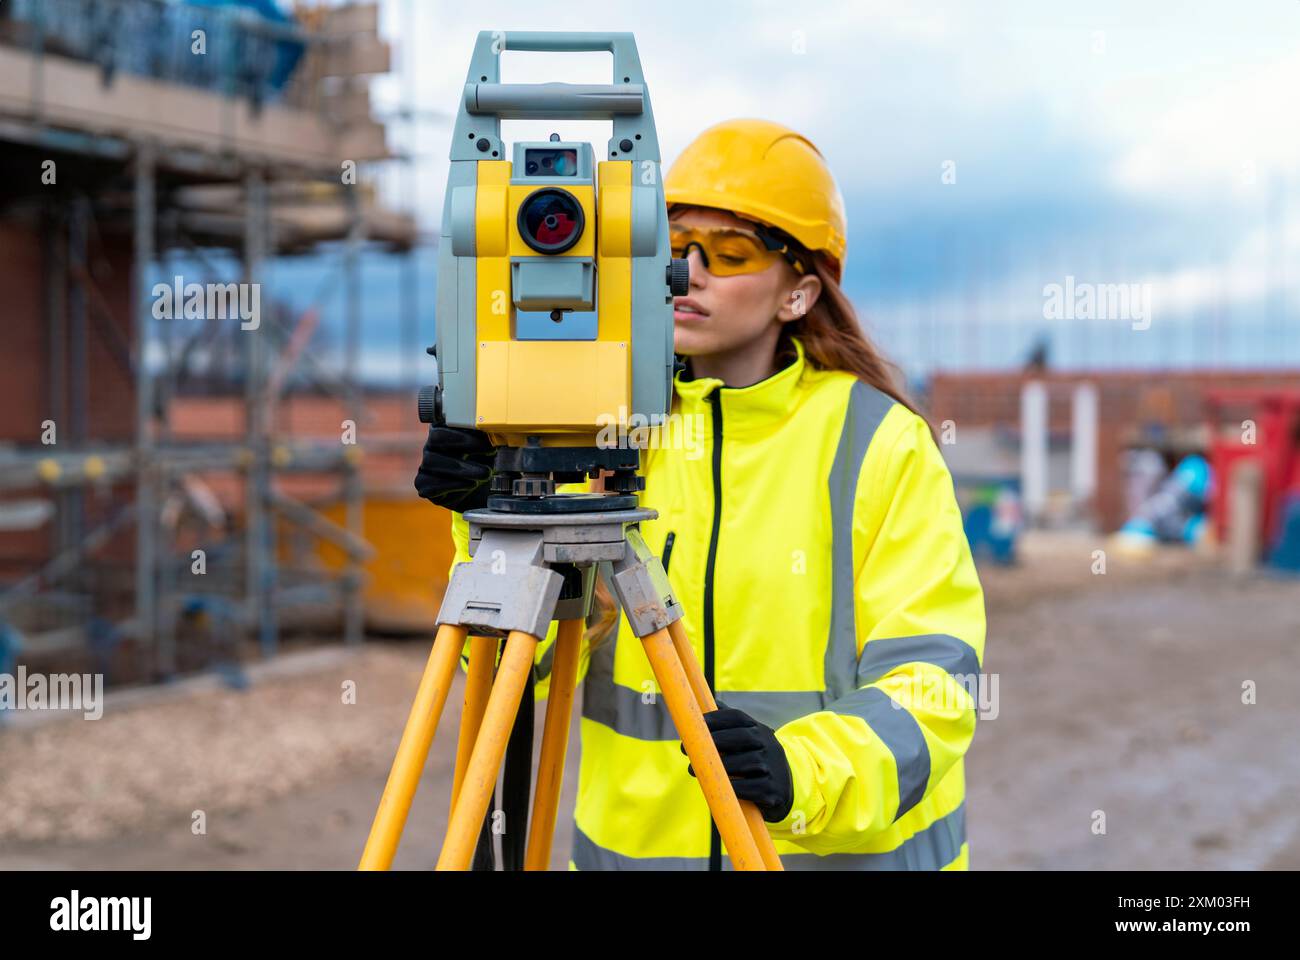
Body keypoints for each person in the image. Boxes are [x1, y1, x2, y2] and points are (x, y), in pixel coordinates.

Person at [415, 118, 986, 870]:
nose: (691, 272)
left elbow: (936, 683)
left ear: (800, 291)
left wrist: (801, 772)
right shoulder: (606, 428)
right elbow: (530, 669)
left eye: (730, 253)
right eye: (675, 248)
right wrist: (489, 518)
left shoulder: (877, 442)